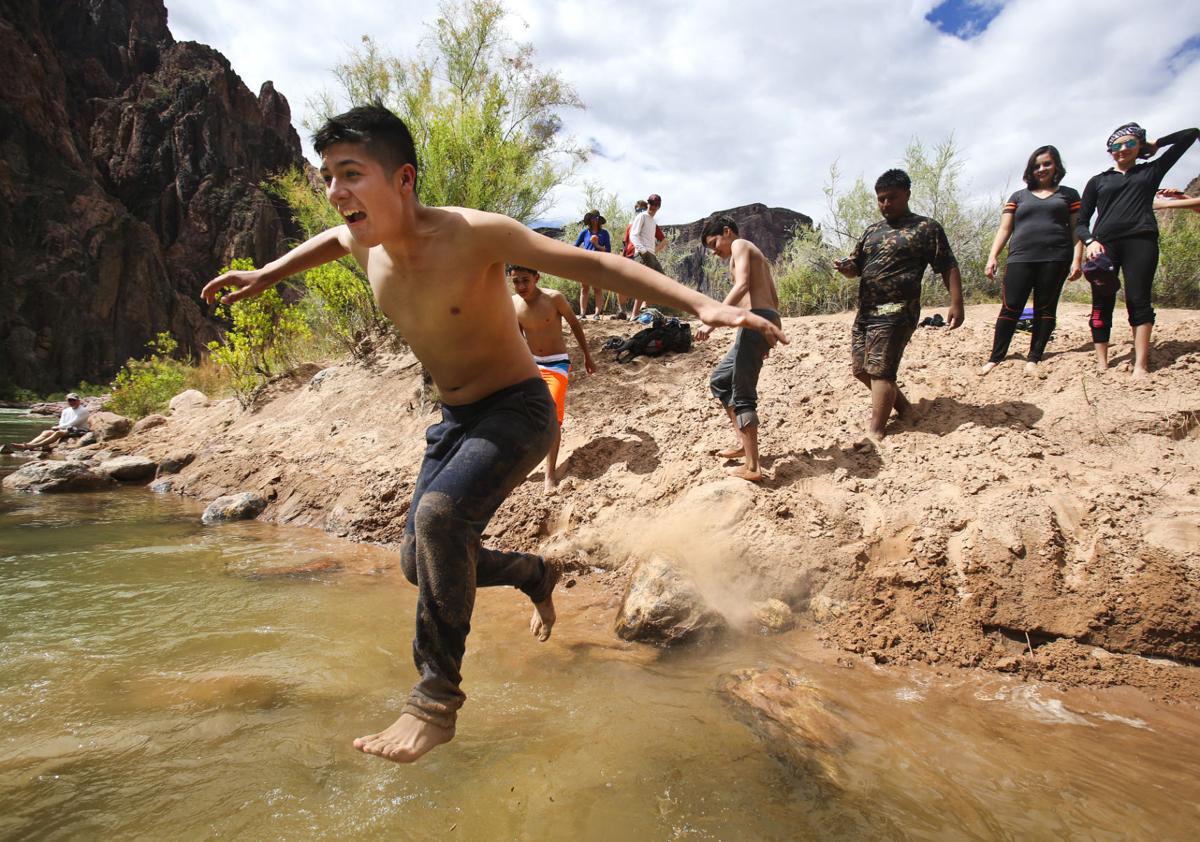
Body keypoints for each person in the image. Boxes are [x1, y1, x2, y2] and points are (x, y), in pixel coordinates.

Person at [200, 104, 786, 765]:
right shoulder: (363, 239)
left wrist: (702, 303)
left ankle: (434, 698)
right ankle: (535, 573)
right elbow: (328, 244)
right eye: (330, 176)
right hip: (454, 422)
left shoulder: (473, 235)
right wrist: (264, 275)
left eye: (352, 174)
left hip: (519, 410)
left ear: (404, 180)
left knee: (441, 518)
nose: (337, 192)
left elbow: (594, 268)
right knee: (418, 564)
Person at [835, 169, 963, 442]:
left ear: (906, 194)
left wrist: (956, 303)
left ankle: (875, 431)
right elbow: (856, 268)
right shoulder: (872, 231)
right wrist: (846, 268)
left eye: (891, 198)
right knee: (861, 370)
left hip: (898, 310)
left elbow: (947, 266)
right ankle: (905, 409)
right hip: (867, 311)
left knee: (881, 371)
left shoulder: (925, 228)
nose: (885, 204)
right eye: (880, 199)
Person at [1076, 121, 1199, 378]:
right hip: (1103, 245)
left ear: (1139, 145)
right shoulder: (1098, 181)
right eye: (1116, 145)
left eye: (1130, 143)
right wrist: (1090, 241)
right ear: (1109, 150)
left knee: (1138, 298)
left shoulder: (1151, 171)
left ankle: (1141, 364)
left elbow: (1191, 135)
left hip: (1140, 240)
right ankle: (1102, 363)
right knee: (1102, 302)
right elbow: (1081, 222)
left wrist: (1157, 144)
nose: (1122, 149)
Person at [980, 146, 1083, 376]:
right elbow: (1005, 228)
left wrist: (1078, 259)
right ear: (1030, 170)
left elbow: (1077, 229)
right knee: (1010, 306)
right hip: (1021, 257)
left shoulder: (1069, 195)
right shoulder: (1018, 197)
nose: (1042, 169)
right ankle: (995, 357)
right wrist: (992, 255)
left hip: (1056, 257)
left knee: (1045, 309)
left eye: (1046, 164)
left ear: (1056, 165)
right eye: (1036, 166)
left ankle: (1033, 358)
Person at [696, 216, 781, 482]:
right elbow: (774, 296)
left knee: (742, 393)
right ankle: (745, 446)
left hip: (756, 322)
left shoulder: (741, 245)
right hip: (761, 322)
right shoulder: (749, 253)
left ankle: (753, 468)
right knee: (721, 380)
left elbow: (742, 285)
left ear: (727, 231)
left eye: (714, 243)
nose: (714, 251)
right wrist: (770, 332)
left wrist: (712, 319)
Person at [508, 264, 597, 493]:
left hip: (557, 363)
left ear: (537, 277)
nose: (521, 286)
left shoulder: (554, 298)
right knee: (526, 416)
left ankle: (549, 473)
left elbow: (575, 324)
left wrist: (587, 356)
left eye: (525, 280)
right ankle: (522, 469)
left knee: (552, 415)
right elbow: (518, 337)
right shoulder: (514, 303)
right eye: (516, 281)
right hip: (532, 365)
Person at [626, 194, 668, 320]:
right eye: (651, 203)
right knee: (644, 283)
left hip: (651, 254)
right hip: (643, 254)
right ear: (647, 203)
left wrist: (654, 251)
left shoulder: (652, 221)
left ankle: (644, 308)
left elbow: (664, 241)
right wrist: (643, 251)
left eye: (656, 204)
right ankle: (635, 314)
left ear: (659, 207)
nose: (653, 206)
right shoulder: (642, 216)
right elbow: (633, 235)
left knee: (661, 282)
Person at [2, 393, 91, 453]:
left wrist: (59, 427)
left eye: (73, 400)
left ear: (78, 401)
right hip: (67, 429)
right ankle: (30, 445)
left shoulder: (83, 411)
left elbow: (74, 423)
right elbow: (62, 422)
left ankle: (33, 445)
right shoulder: (66, 410)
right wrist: (59, 426)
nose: (71, 402)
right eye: (70, 400)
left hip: (79, 430)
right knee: (46, 432)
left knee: (58, 432)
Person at [572, 210, 611, 319]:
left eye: (597, 218)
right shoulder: (584, 233)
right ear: (589, 220)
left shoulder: (604, 233)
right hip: (586, 263)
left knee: (597, 289)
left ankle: (597, 314)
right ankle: (582, 313)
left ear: (599, 219)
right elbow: (575, 246)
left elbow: (608, 250)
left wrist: (597, 245)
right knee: (584, 288)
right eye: (593, 218)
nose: (595, 220)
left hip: (598, 263)